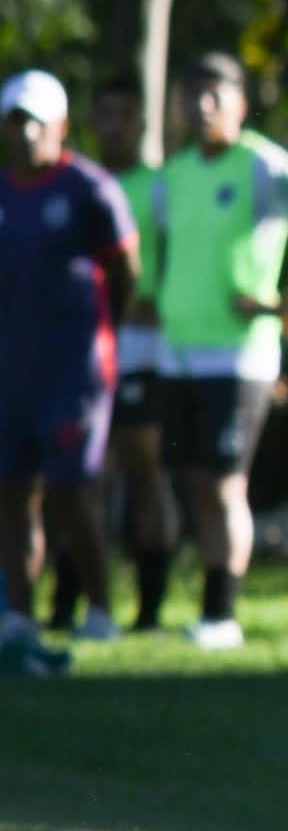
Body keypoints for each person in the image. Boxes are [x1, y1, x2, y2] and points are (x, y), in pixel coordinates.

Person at [156, 53, 288, 650]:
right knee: (192, 479)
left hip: (239, 357)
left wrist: (285, 310)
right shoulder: (174, 174)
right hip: (177, 353)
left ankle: (222, 615)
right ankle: (208, 605)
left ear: (241, 104)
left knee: (224, 483)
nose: (201, 106)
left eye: (215, 95)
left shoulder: (262, 164)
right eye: (192, 95)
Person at [0, 69, 138, 656]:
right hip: (12, 369)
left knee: (69, 492)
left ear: (60, 125)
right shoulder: (3, 191)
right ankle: (20, 616)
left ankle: (100, 608)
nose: (26, 132)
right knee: (11, 493)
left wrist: (102, 335)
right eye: (15, 121)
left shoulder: (90, 189)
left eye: (36, 121)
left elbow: (125, 272)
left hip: (75, 370)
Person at [88, 74, 178, 632]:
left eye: (126, 115)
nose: (116, 127)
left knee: (145, 467)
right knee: (83, 477)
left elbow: (179, 254)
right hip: (84, 349)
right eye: (106, 114)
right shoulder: (79, 184)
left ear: (142, 123)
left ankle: (150, 608)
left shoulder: (161, 186)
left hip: (144, 349)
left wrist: (158, 301)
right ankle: (76, 602)